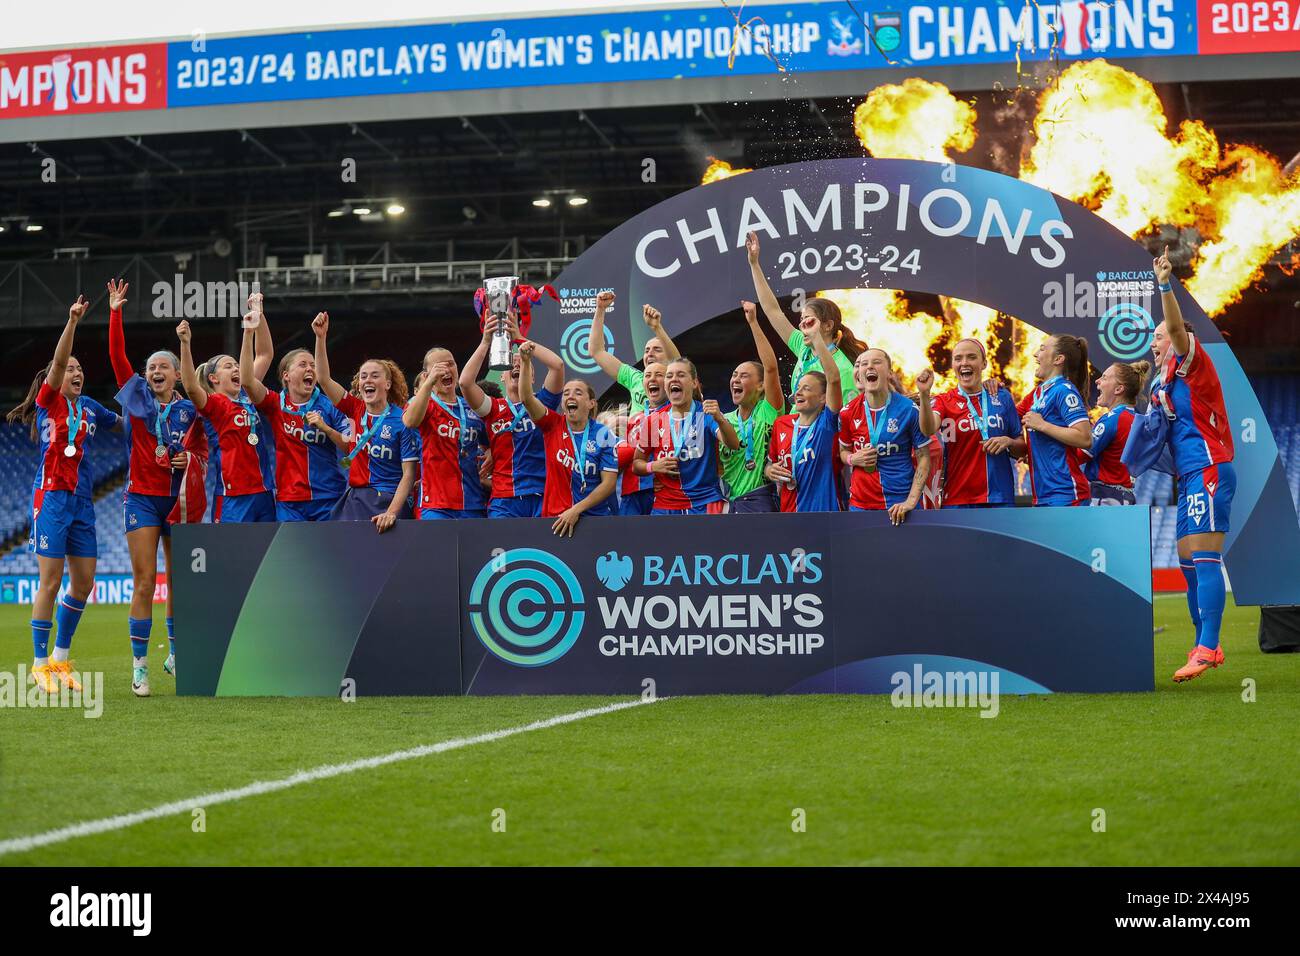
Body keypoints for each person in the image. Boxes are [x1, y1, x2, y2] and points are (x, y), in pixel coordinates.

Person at [6, 296, 121, 695]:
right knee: (50, 582)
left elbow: (126, 425)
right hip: (51, 497)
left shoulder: (90, 407)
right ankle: (38, 664)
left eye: (80, 369)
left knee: (84, 582)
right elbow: (57, 364)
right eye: (70, 368)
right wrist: (72, 323)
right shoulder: (48, 402)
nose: (76, 371)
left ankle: (59, 658)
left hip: (82, 502)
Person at [106, 279, 209, 693]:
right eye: (150, 368)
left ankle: (176, 654)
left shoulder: (190, 409)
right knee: (146, 579)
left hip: (178, 500)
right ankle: (139, 666)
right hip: (143, 499)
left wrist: (190, 460)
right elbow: (116, 356)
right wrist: (115, 311)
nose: (155, 372)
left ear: (175, 374)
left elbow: (204, 452)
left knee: (180, 580)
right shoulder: (135, 399)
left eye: (162, 367)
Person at [1146, 250, 1237, 683]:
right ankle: (1205, 640)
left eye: (1159, 336)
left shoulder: (1193, 364)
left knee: (1204, 557)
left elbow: (1179, 329)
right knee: (1186, 560)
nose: (1155, 341)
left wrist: (1165, 285)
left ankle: (1208, 646)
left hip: (1209, 468)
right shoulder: (1162, 382)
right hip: (1188, 477)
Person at [311, 312, 419, 531]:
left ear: (388, 384)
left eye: (374, 376)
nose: (367, 380)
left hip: (387, 500)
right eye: (363, 376)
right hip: (356, 500)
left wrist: (392, 512)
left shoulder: (403, 420)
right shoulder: (354, 408)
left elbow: (408, 474)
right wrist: (320, 338)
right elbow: (323, 379)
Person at [238, 311, 350, 522]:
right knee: (294, 556)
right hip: (289, 502)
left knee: (329, 555)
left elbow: (351, 446)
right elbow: (247, 381)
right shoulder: (275, 404)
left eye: (313, 365)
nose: (310, 368)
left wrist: (326, 429)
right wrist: (250, 329)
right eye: (303, 364)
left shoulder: (330, 405)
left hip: (329, 498)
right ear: (286, 376)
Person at [459, 314, 565, 517]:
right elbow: (465, 383)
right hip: (504, 499)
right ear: (502, 375)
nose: (516, 365)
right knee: (502, 549)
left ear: (532, 376)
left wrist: (519, 338)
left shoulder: (544, 403)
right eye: (511, 364)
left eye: (523, 364)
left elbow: (557, 365)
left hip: (542, 495)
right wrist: (485, 342)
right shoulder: (493, 408)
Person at [179, 307, 276, 523]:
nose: (236, 368)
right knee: (232, 555)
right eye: (228, 366)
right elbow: (191, 387)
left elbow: (265, 354)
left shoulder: (247, 392)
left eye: (237, 364)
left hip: (264, 492)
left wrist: (259, 314)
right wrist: (185, 345)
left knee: (266, 554)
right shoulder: (214, 403)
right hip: (233, 496)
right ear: (213, 378)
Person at [746, 231, 864, 403]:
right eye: (801, 321)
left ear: (828, 325)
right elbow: (773, 310)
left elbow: (844, 418)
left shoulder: (844, 369)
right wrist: (754, 264)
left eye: (809, 320)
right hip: (796, 426)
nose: (803, 326)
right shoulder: (803, 345)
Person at [516, 342, 618, 535]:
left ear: (590, 403)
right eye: (566, 393)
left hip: (594, 521)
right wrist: (525, 362)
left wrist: (576, 510)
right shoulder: (552, 424)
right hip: (555, 520)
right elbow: (527, 399)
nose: (570, 396)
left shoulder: (604, 434)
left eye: (578, 393)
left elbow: (609, 483)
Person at [916, 338, 1021, 508]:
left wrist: (1008, 442)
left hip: (999, 499)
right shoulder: (944, 400)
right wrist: (924, 395)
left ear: (984, 363)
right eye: (958, 358)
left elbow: (1022, 446)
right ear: (953, 365)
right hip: (958, 500)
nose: (964, 363)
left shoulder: (1002, 397)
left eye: (971, 357)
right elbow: (927, 429)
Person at [632, 357, 739, 514]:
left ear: (694, 383)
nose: (674, 379)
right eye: (669, 376)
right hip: (665, 506)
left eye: (681, 375)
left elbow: (733, 444)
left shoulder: (706, 414)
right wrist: (653, 466)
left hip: (704, 502)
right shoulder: (654, 420)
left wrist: (720, 419)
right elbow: (637, 463)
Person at [838, 349, 931, 525]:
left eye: (876, 362)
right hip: (861, 506)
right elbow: (843, 450)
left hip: (900, 505)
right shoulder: (847, 412)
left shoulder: (908, 409)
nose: (869, 366)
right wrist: (852, 459)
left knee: (905, 553)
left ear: (889, 373)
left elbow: (924, 456)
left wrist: (910, 501)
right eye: (864, 364)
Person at [765, 318, 843, 512]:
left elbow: (833, 378)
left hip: (824, 515)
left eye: (806, 389)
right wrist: (770, 471)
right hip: (789, 515)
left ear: (823, 398)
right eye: (798, 388)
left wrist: (816, 337)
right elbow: (770, 464)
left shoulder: (826, 424)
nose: (798, 393)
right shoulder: (782, 424)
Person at [403, 346, 489, 519]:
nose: (446, 370)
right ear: (427, 375)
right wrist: (428, 384)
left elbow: (490, 441)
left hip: (472, 503)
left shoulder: (471, 406)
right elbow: (410, 421)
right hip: (436, 505)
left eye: (450, 364)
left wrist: (491, 451)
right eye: (438, 367)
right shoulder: (424, 405)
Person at [721, 301, 785, 513]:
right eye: (734, 375)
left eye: (744, 376)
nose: (736, 380)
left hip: (763, 501)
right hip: (731, 503)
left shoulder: (769, 410)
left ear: (760, 386)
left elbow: (771, 367)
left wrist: (753, 322)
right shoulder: (724, 420)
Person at [1015, 335, 1093, 506]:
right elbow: (1010, 417)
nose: (1036, 354)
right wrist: (994, 392)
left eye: (1042, 349)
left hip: (1066, 492)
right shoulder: (1037, 393)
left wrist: (1043, 425)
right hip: (1043, 494)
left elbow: (1085, 438)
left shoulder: (1064, 390)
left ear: (1058, 359)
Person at [587, 291, 680, 413]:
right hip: (636, 432)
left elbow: (677, 363)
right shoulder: (635, 378)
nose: (650, 353)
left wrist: (657, 328)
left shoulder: (676, 382)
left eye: (657, 350)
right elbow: (596, 351)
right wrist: (600, 309)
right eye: (646, 351)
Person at [1083, 360, 1149, 506]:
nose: (1097, 381)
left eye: (1104, 378)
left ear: (1118, 389)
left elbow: (1081, 455)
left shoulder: (1112, 420)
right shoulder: (1136, 419)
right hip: (1126, 497)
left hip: (1105, 497)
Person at [615, 364, 667, 516]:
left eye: (658, 375)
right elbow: (619, 461)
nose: (652, 379)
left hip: (660, 491)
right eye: (647, 375)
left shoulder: (675, 415)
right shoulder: (634, 418)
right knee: (627, 539)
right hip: (631, 492)